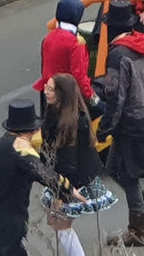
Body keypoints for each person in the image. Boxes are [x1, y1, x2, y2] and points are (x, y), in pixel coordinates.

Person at [0, 100, 77, 256]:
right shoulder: (21, 149)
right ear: (32, 130)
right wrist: (68, 190)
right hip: (5, 235)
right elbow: (44, 173)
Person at [96, 0, 144, 246]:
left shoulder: (118, 54)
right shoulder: (143, 46)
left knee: (127, 174)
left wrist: (105, 127)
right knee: (114, 167)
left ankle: (137, 230)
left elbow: (116, 95)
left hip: (130, 120)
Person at [41, 74, 117, 256]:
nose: (45, 91)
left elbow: (68, 162)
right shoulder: (59, 113)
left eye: (50, 89)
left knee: (60, 225)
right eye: (46, 87)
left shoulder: (71, 122)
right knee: (58, 223)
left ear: (62, 94)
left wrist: (62, 192)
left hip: (74, 180)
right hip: (67, 177)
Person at [33, 0, 100, 115]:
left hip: (48, 93)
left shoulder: (48, 38)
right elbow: (79, 76)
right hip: (67, 98)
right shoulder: (76, 43)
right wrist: (93, 99)